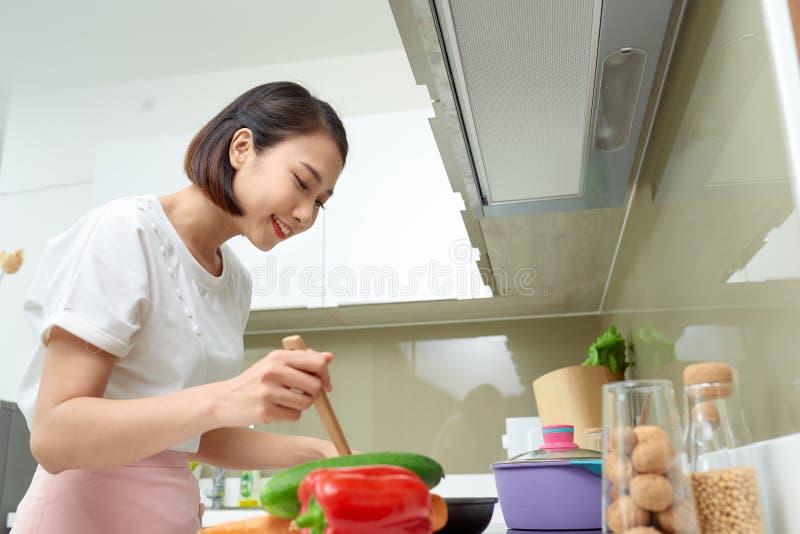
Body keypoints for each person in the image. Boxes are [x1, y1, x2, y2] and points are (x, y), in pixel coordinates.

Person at [11, 81, 348, 534]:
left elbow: (189, 435)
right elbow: (55, 436)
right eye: (302, 183)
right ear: (242, 148)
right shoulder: (125, 232)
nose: (306, 214)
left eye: (319, 203)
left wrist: (319, 454)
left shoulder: (235, 283)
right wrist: (228, 397)